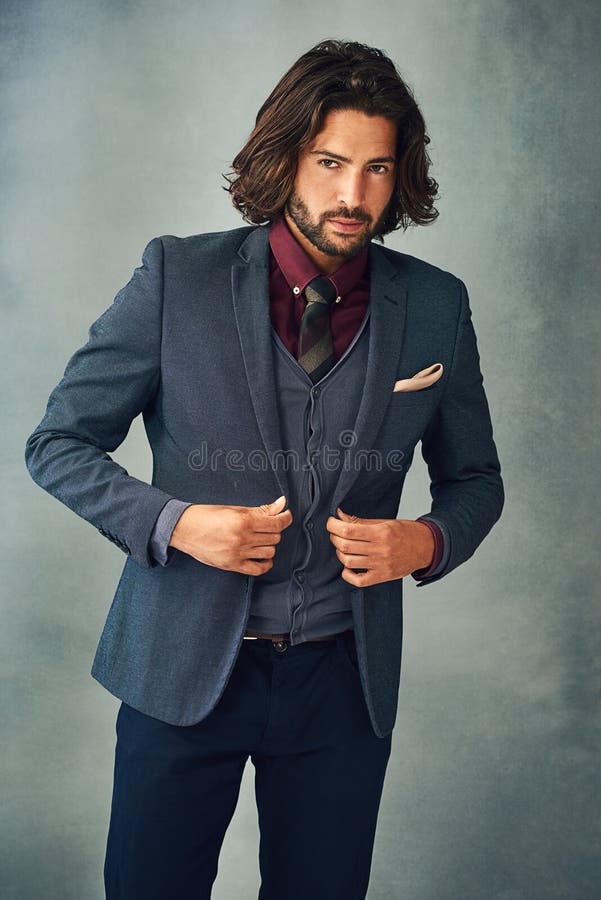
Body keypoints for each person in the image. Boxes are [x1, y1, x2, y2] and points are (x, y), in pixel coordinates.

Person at [24, 38, 504, 900]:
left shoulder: (435, 304)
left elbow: (476, 481)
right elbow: (57, 443)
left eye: (377, 169)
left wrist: (425, 542)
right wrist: (174, 522)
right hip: (181, 669)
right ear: (285, 157)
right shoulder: (179, 276)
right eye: (329, 162)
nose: (352, 195)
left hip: (340, 682)